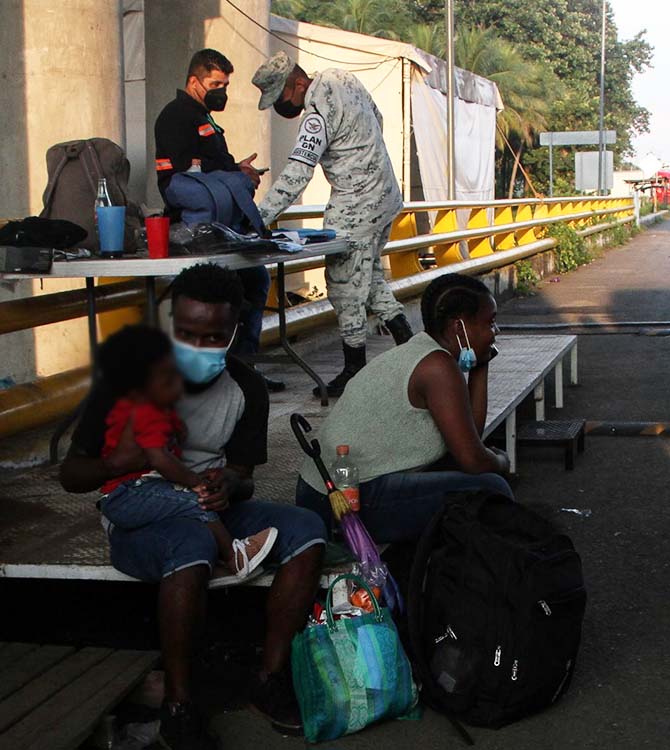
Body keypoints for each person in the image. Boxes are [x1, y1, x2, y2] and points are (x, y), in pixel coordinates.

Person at [60, 263, 327, 748]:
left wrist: (229, 484)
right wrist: (116, 462)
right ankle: (178, 706)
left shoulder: (246, 388)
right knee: (189, 540)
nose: (197, 346)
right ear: (169, 325)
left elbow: (244, 476)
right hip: (143, 519)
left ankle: (267, 680)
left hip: (207, 506)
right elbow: (70, 476)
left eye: (212, 337)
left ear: (232, 335)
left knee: (308, 529)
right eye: (185, 333)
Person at [295, 273, 512, 541]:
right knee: (492, 489)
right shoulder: (438, 368)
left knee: (465, 475)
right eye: (490, 323)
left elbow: (469, 443)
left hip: (324, 491)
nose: (495, 331)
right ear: (460, 328)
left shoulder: (424, 352)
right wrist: (502, 461)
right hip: (342, 501)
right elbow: (475, 462)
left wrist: (481, 366)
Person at [251, 51, 415, 397]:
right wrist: (364, 155)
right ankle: (412, 348)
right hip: (386, 194)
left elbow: (298, 171)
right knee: (368, 277)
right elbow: (378, 116)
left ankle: (354, 370)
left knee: (343, 285)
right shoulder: (343, 78)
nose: (283, 107)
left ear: (297, 84)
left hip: (355, 204)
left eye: (282, 98)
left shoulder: (316, 112)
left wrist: (258, 218)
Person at [95, 324, 278, 587]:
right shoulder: (145, 410)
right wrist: (194, 482)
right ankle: (235, 555)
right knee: (195, 500)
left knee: (190, 504)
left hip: (139, 489)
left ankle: (215, 562)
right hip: (126, 495)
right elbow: (160, 459)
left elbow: (173, 434)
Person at [153, 48, 284, 392]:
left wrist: (236, 171)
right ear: (194, 82)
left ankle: (245, 371)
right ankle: (210, 376)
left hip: (225, 227)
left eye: (225, 84)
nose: (221, 91)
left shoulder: (204, 116)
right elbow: (185, 172)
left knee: (255, 281)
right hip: (194, 230)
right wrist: (234, 174)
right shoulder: (176, 116)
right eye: (215, 84)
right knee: (219, 296)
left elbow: (212, 167)